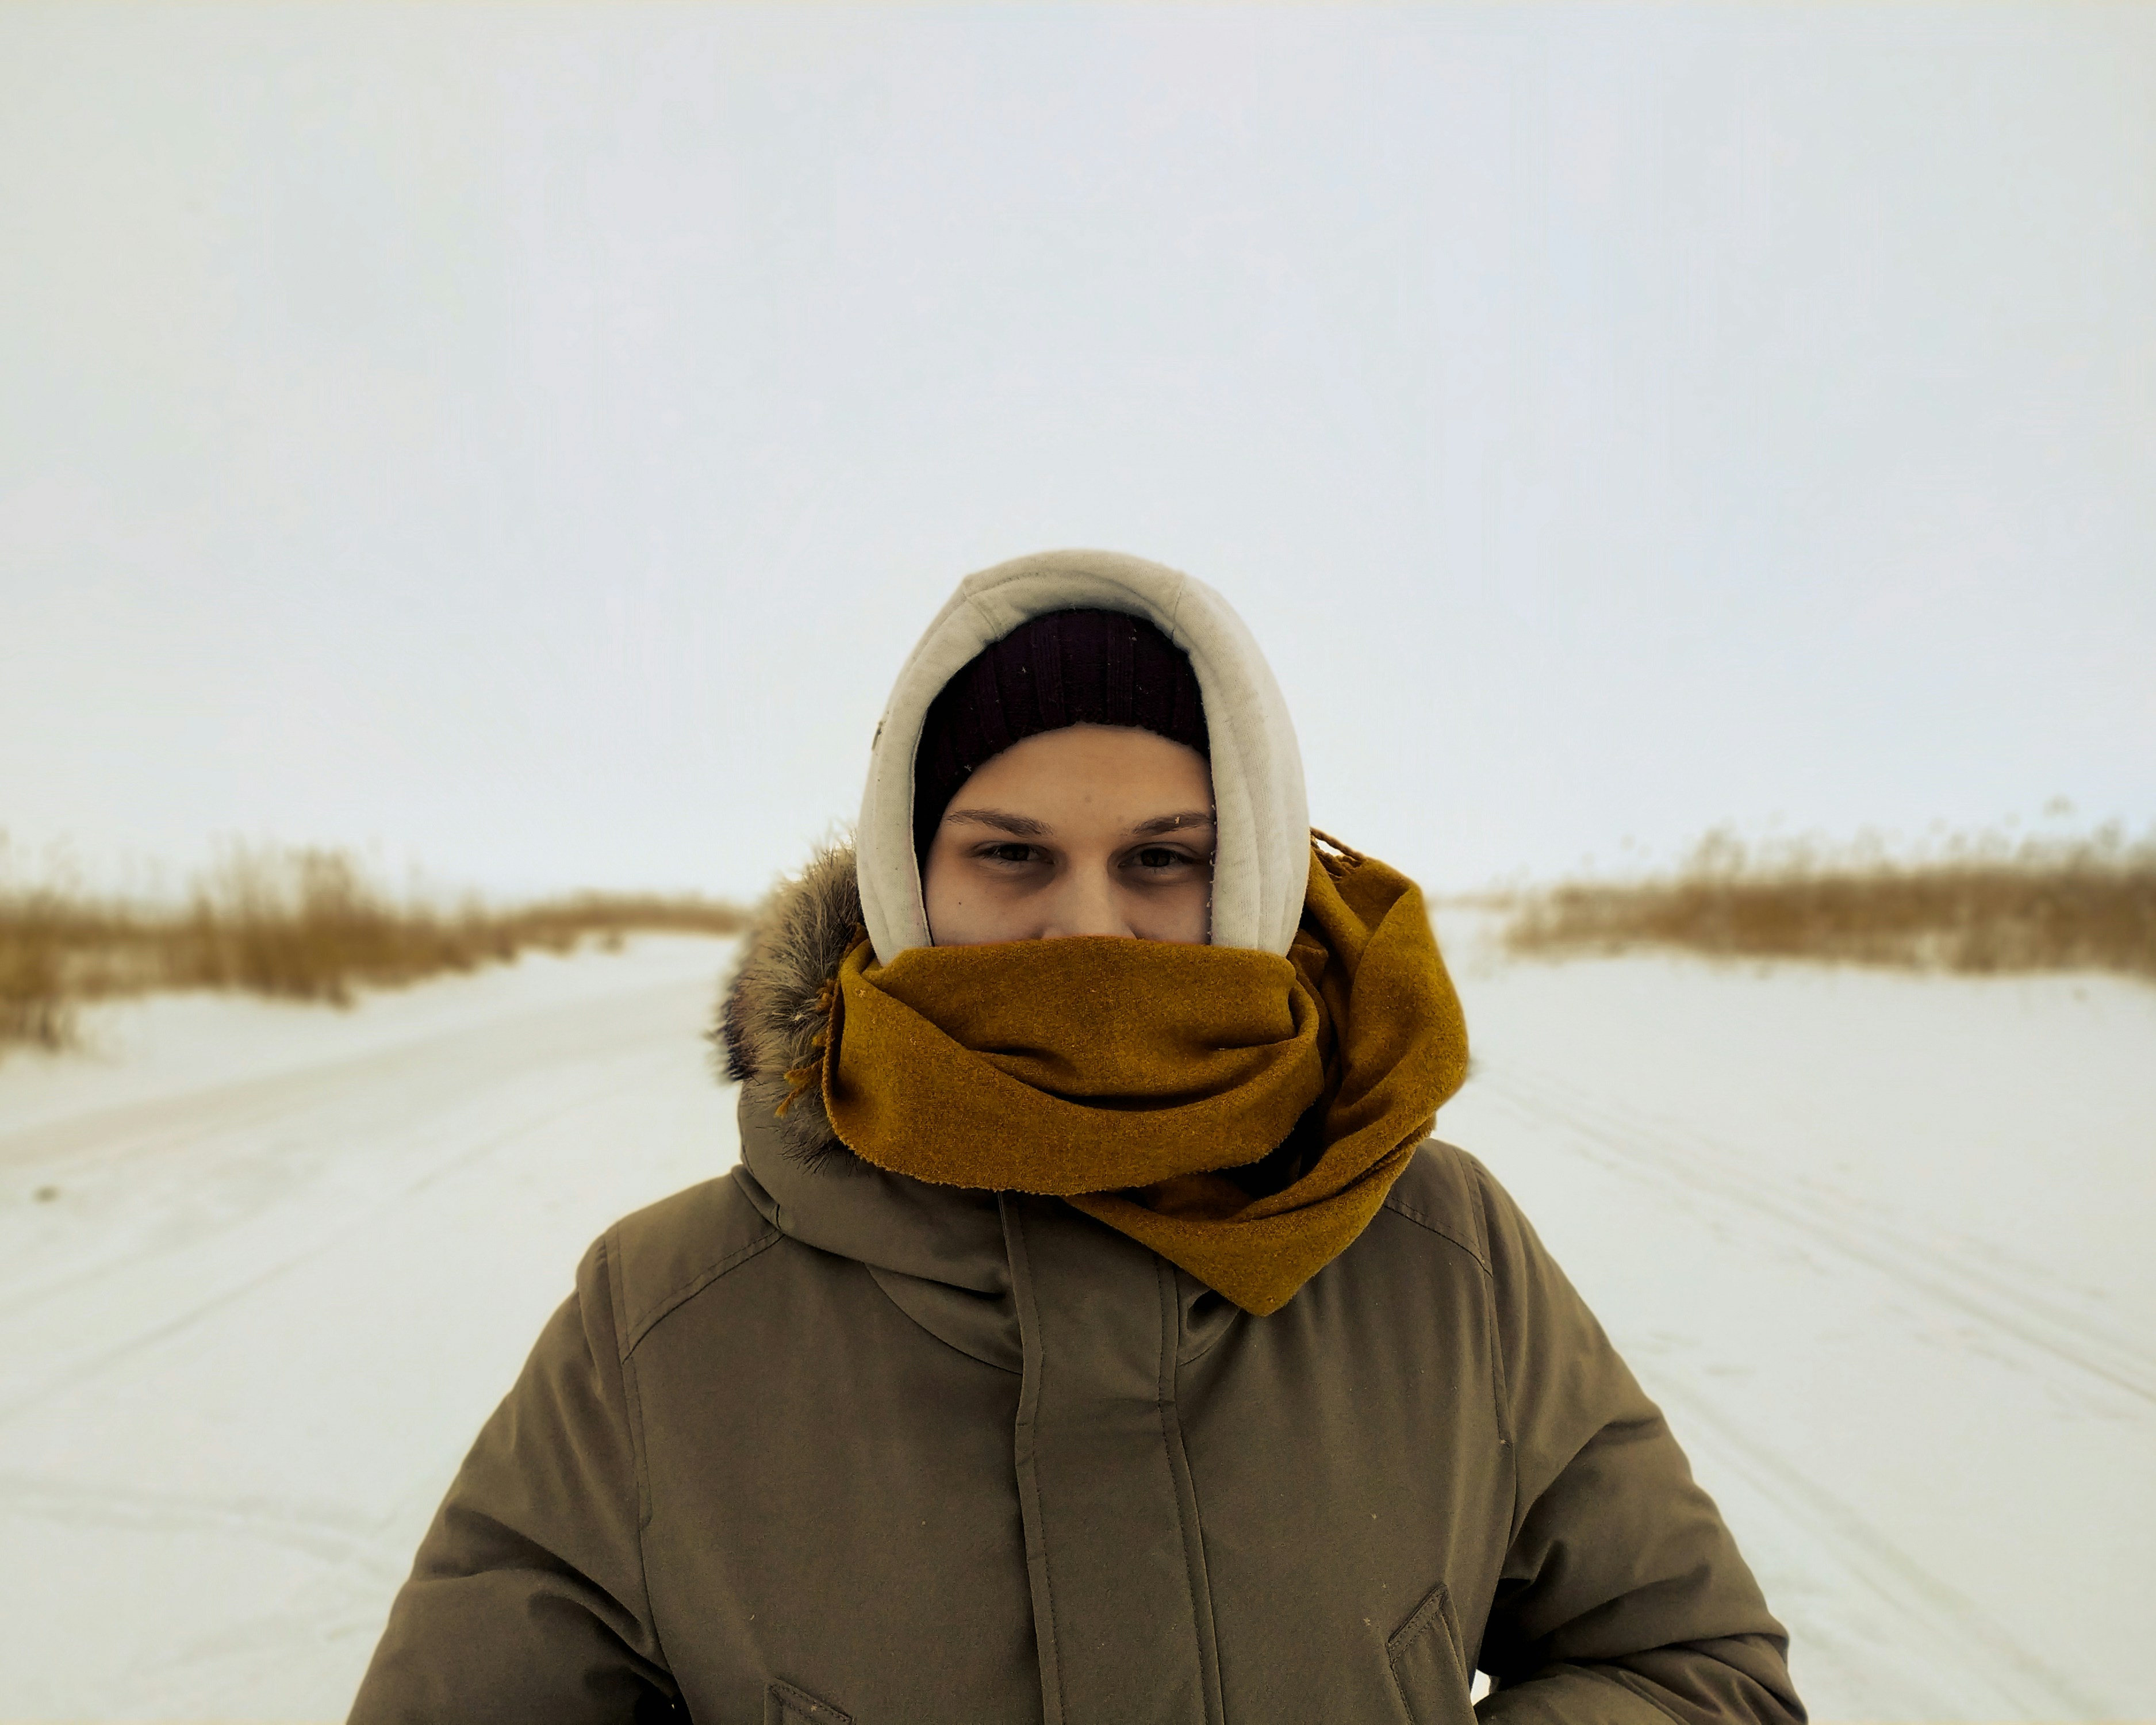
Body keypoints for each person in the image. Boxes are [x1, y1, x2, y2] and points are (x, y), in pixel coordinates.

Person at [350, 550, 1805, 1724]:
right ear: (908, 880)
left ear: (1253, 882)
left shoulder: (1443, 1255)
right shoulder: (661, 1319)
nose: (1088, 929)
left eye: (1162, 860)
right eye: (1012, 855)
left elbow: (1697, 1671)